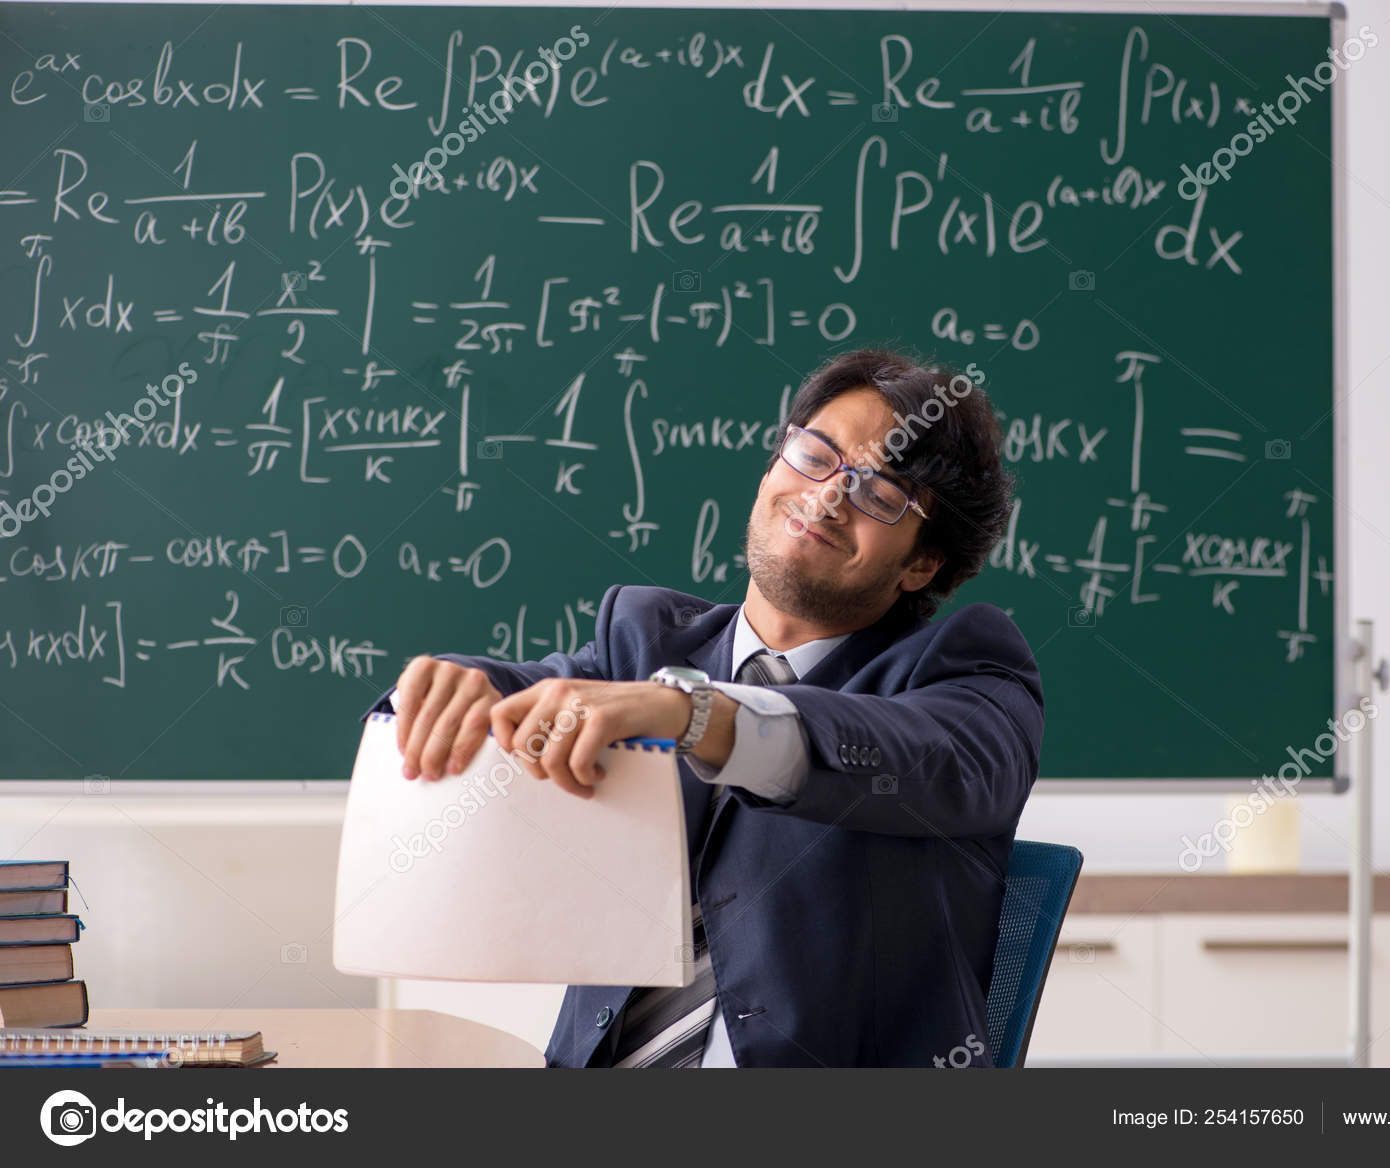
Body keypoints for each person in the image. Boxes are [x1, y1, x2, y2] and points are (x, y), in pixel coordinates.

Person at [367, 347, 1044, 1067]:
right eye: (814, 455)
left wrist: (695, 714)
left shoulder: (966, 672)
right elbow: (514, 695)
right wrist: (445, 689)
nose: (826, 497)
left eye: (880, 495)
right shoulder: (643, 642)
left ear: (921, 563)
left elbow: (933, 758)